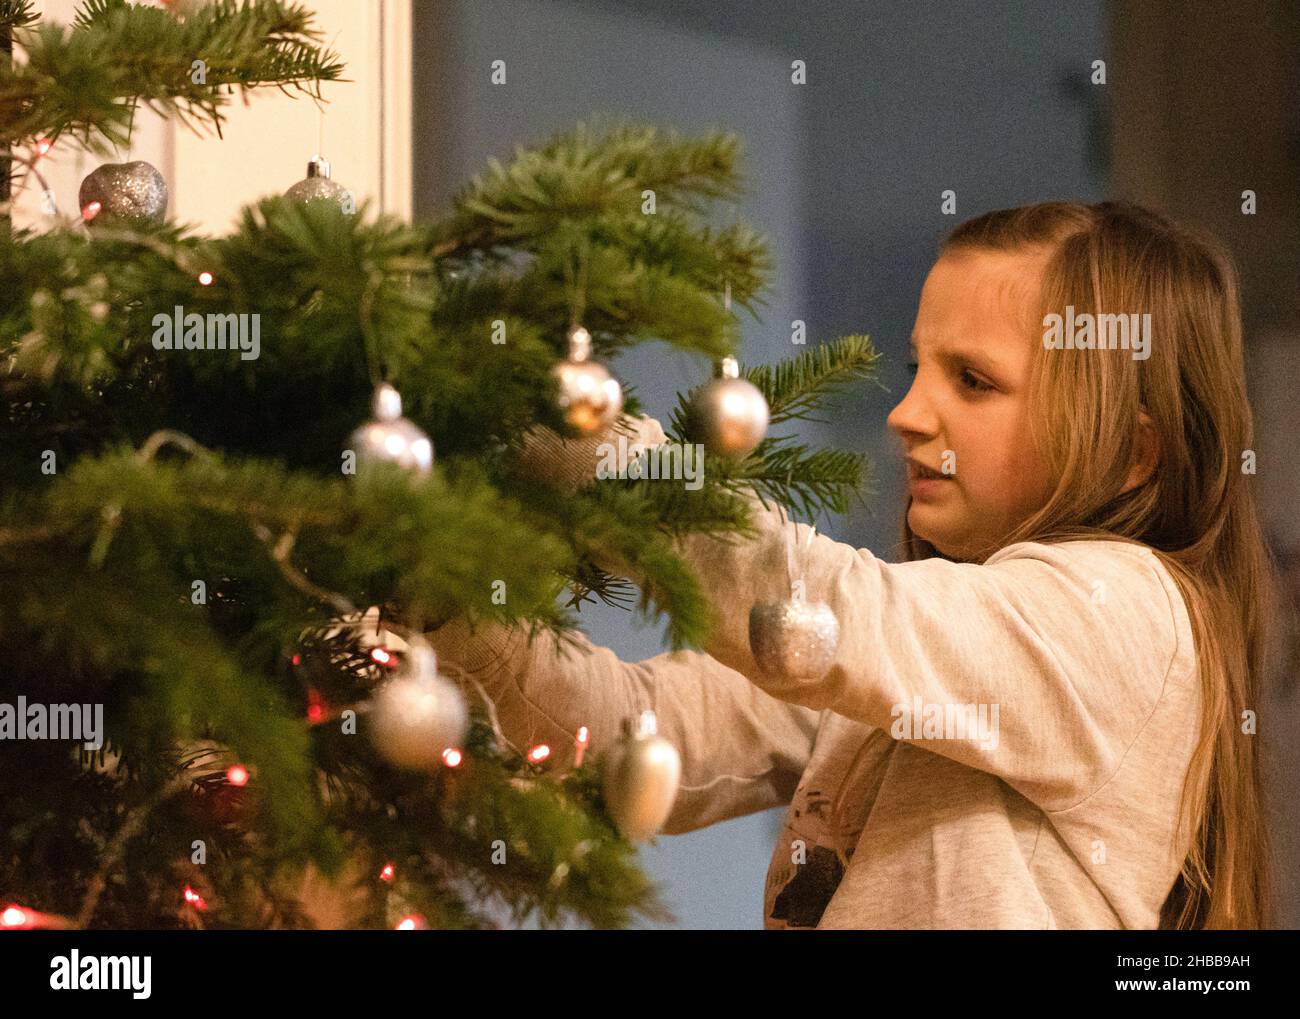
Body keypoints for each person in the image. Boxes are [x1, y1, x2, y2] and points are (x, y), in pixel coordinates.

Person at [428, 200, 1282, 929]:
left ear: (1132, 453)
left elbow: (805, 609)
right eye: (919, 370)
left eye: (974, 381)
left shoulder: (1130, 614)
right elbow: (624, 732)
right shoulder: (899, 674)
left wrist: (564, 435)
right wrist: (438, 593)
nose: (907, 413)